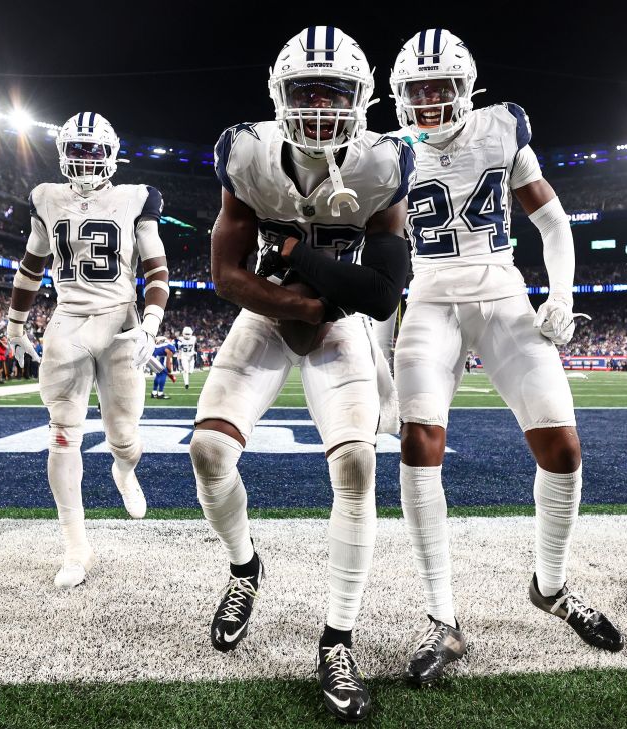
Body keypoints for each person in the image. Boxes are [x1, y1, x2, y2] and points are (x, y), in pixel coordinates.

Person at [387, 29, 622, 689]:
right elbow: (376, 259)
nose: (430, 100)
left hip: (502, 294)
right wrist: (381, 361)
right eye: (418, 90)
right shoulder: (386, 153)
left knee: (564, 450)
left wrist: (562, 293)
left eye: (442, 87)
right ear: (400, 97)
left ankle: (550, 586)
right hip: (430, 302)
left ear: (466, 90)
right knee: (418, 440)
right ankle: (443, 618)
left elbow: (553, 222)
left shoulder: (501, 129)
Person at [193, 27, 411, 722]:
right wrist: (296, 300)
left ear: (362, 99)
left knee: (356, 467)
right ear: (277, 96)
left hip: (343, 322)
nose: (319, 106)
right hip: (269, 307)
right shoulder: (248, 154)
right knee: (208, 450)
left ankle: (337, 639)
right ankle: (244, 568)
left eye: (334, 92)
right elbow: (226, 273)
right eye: (304, 91)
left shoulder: (383, 165)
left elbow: (382, 293)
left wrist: (316, 288)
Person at [9, 109, 170, 590]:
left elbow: (157, 272)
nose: (84, 159)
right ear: (62, 153)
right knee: (63, 432)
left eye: (93, 150)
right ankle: (75, 546)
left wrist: (151, 325)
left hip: (121, 320)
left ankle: (124, 471)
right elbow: (30, 268)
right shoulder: (45, 198)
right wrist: (15, 325)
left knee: (125, 436)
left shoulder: (136, 199)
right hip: (68, 321)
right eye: (76, 149)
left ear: (111, 154)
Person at [150, 335, 177, 399]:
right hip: (152, 357)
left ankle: (154, 393)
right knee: (163, 373)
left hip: (149, 356)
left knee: (158, 374)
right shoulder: (171, 347)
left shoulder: (161, 344)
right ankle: (160, 393)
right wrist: (169, 372)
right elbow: (168, 361)